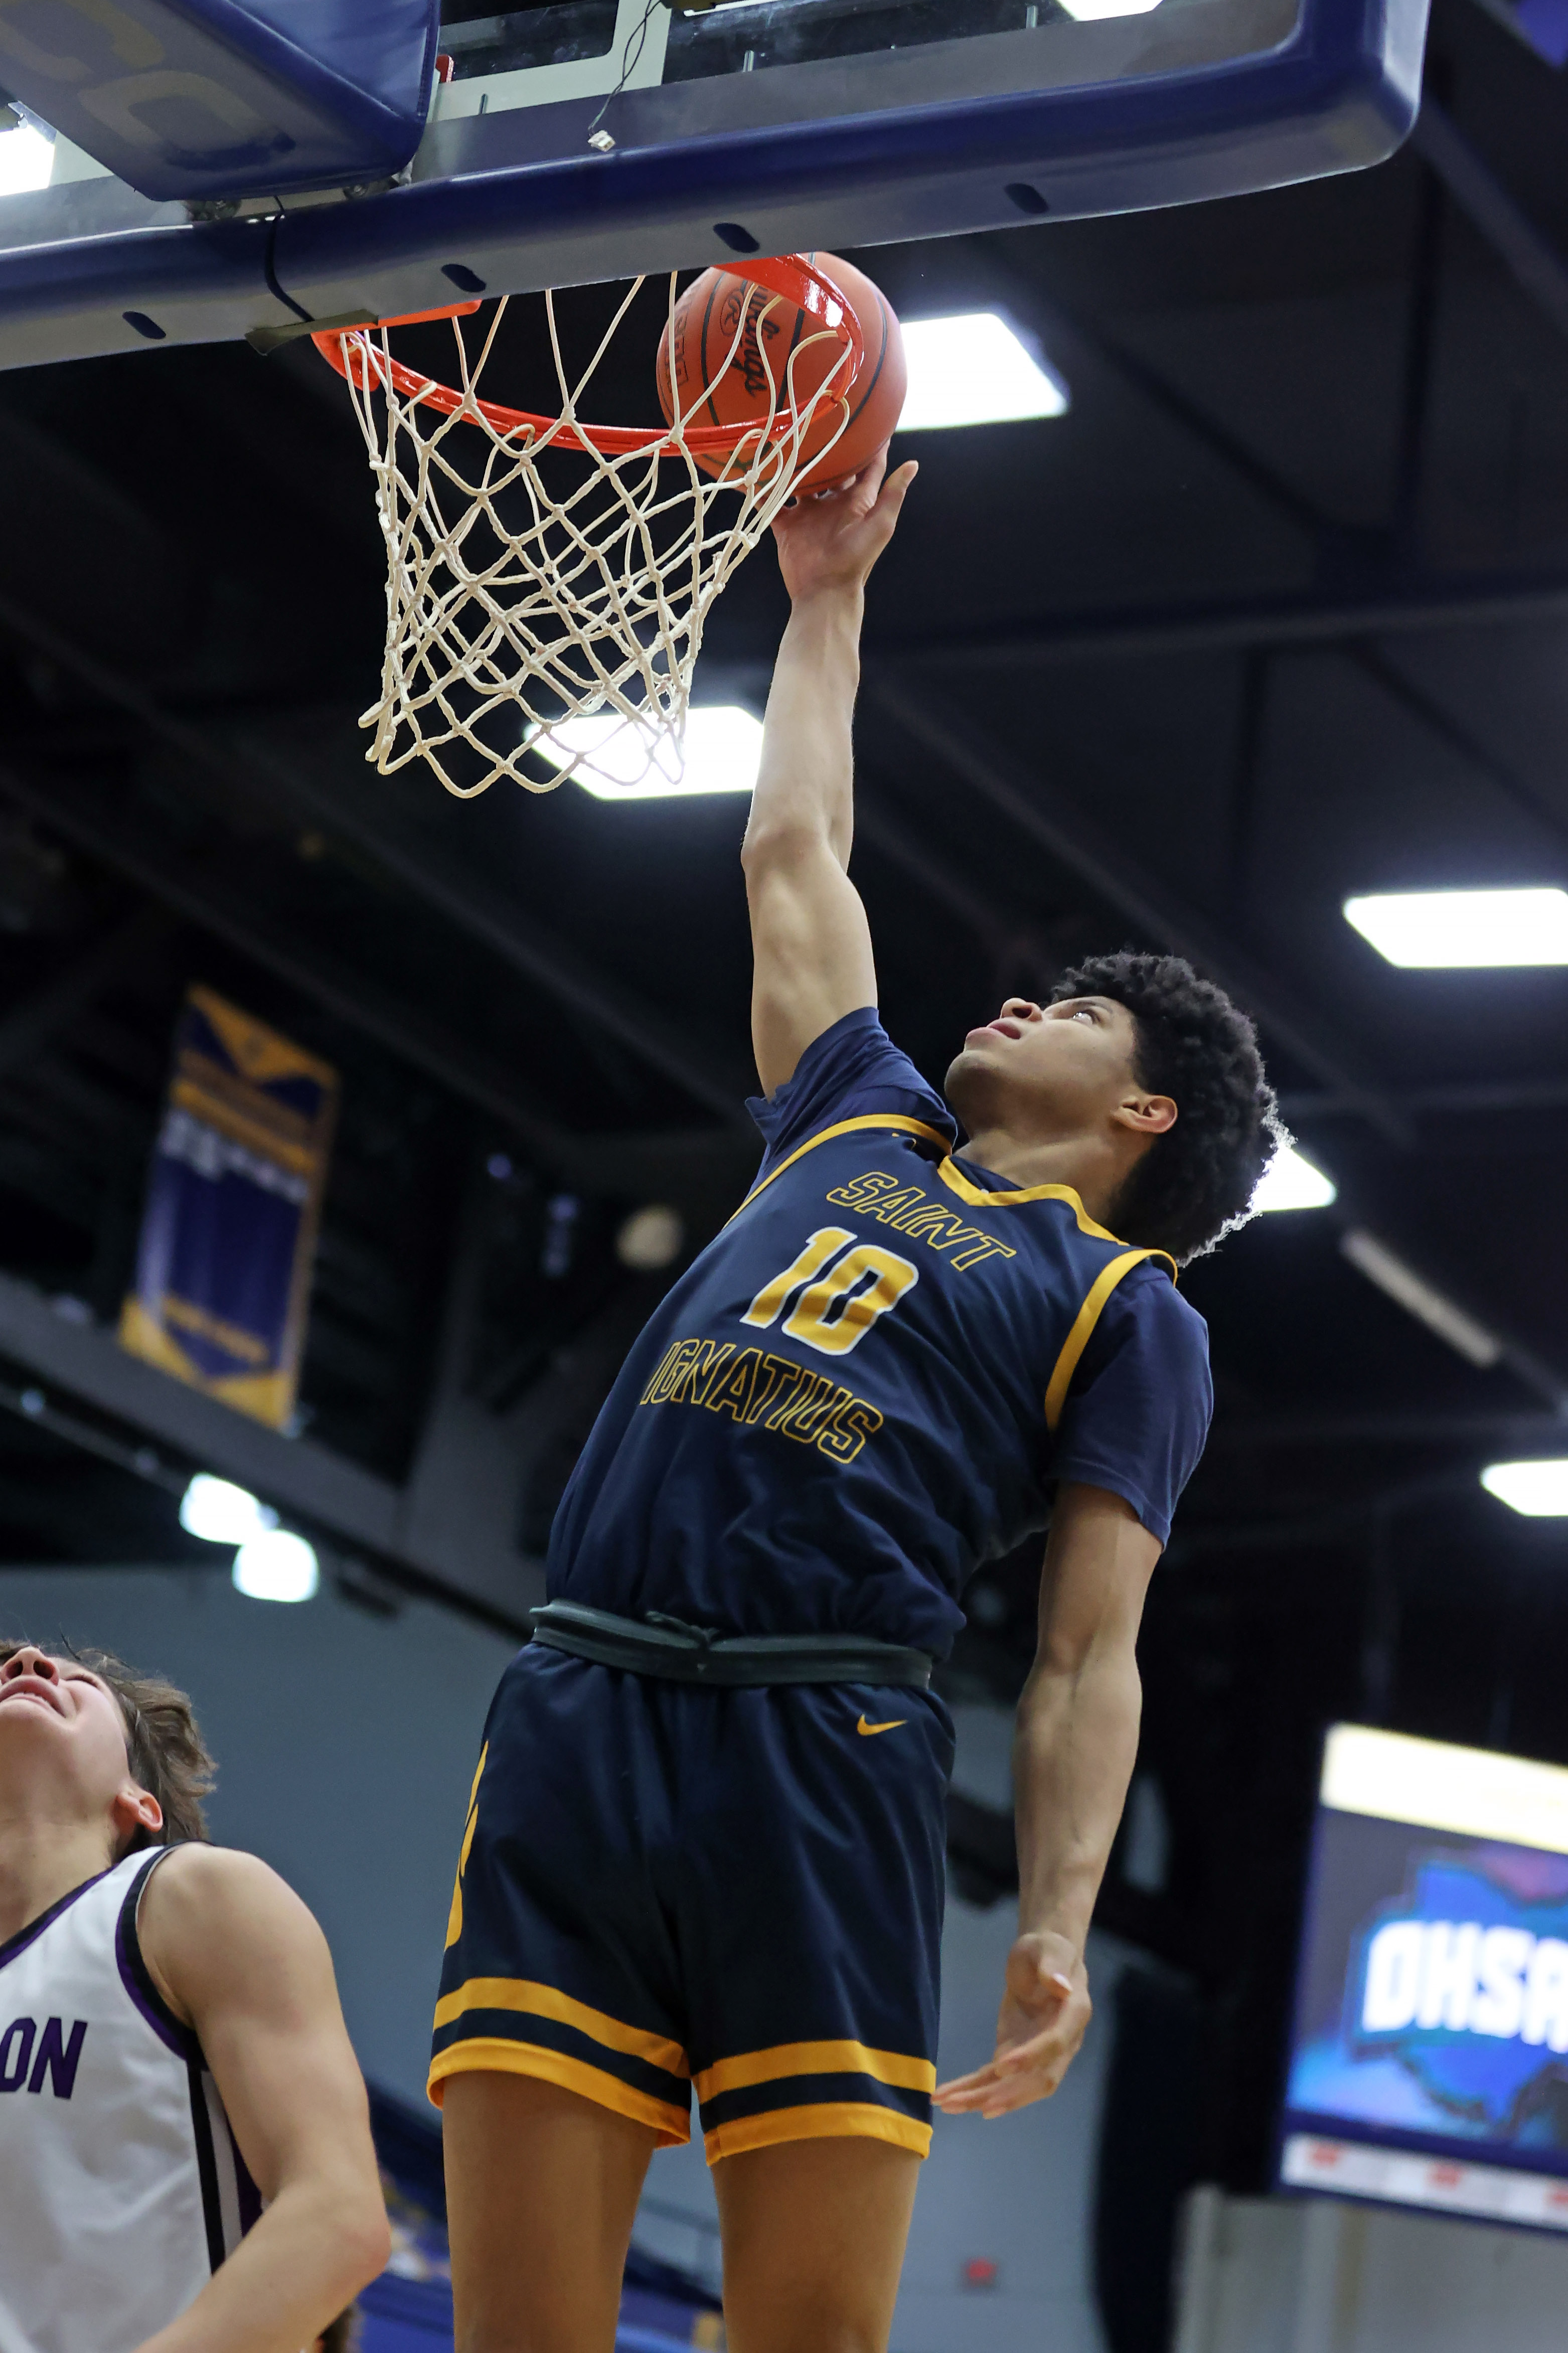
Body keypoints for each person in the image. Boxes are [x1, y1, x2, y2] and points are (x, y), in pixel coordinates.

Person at [436, 449, 1279, 2353]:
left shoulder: (1124, 1304)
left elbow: (1083, 1656)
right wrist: (823, 600)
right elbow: (789, 856)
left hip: (821, 1745)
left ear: (1141, 1114)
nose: (1018, 1001)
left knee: (807, 2334)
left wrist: (1054, 1916)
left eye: (1074, 1008)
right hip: (583, 1698)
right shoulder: (851, 1111)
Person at [0, 1638, 391, 2353]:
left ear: (139, 1800)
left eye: (80, 1686)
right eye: (8, 1671)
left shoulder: (189, 1897)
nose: (27, 1663)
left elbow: (337, 2214)